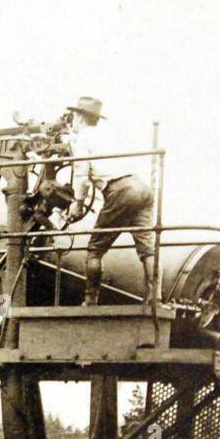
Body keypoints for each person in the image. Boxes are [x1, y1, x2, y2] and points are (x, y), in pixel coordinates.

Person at [62, 97, 156, 306]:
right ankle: (155, 299)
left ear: (79, 117)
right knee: (147, 248)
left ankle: (90, 301)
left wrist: (77, 203)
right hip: (142, 188)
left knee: (95, 250)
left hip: (120, 191)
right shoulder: (106, 135)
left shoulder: (82, 138)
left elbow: (81, 174)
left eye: (73, 117)